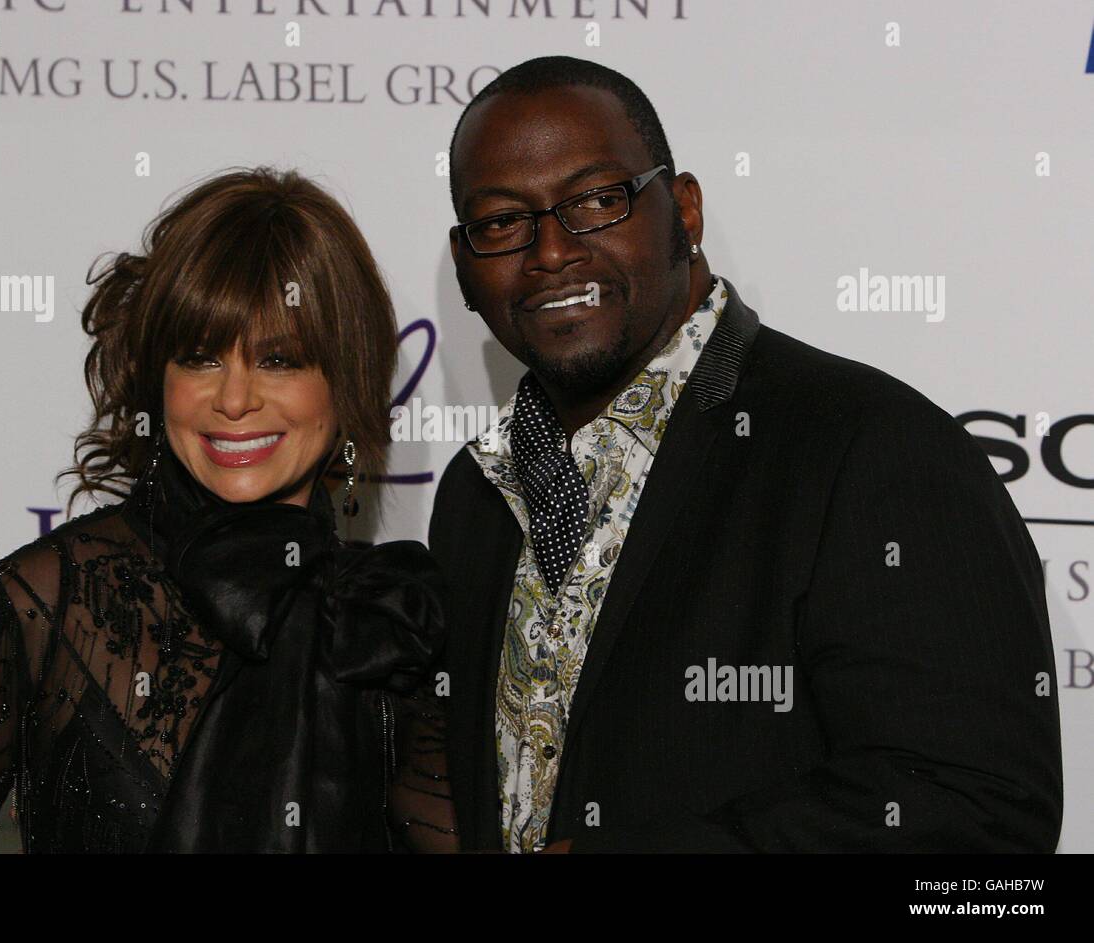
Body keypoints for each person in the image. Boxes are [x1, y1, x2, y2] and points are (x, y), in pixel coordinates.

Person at [428, 56, 1063, 853]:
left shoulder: (870, 447)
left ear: (684, 210)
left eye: (597, 199)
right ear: (463, 263)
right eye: (500, 221)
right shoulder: (477, 493)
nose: (551, 250)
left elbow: (979, 811)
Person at [0, 167, 446, 853]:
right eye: (201, 356)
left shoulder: (392, 620)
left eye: (279, 359)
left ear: (346, 382)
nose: (234, 399)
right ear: (160, 377)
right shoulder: (41, 607)